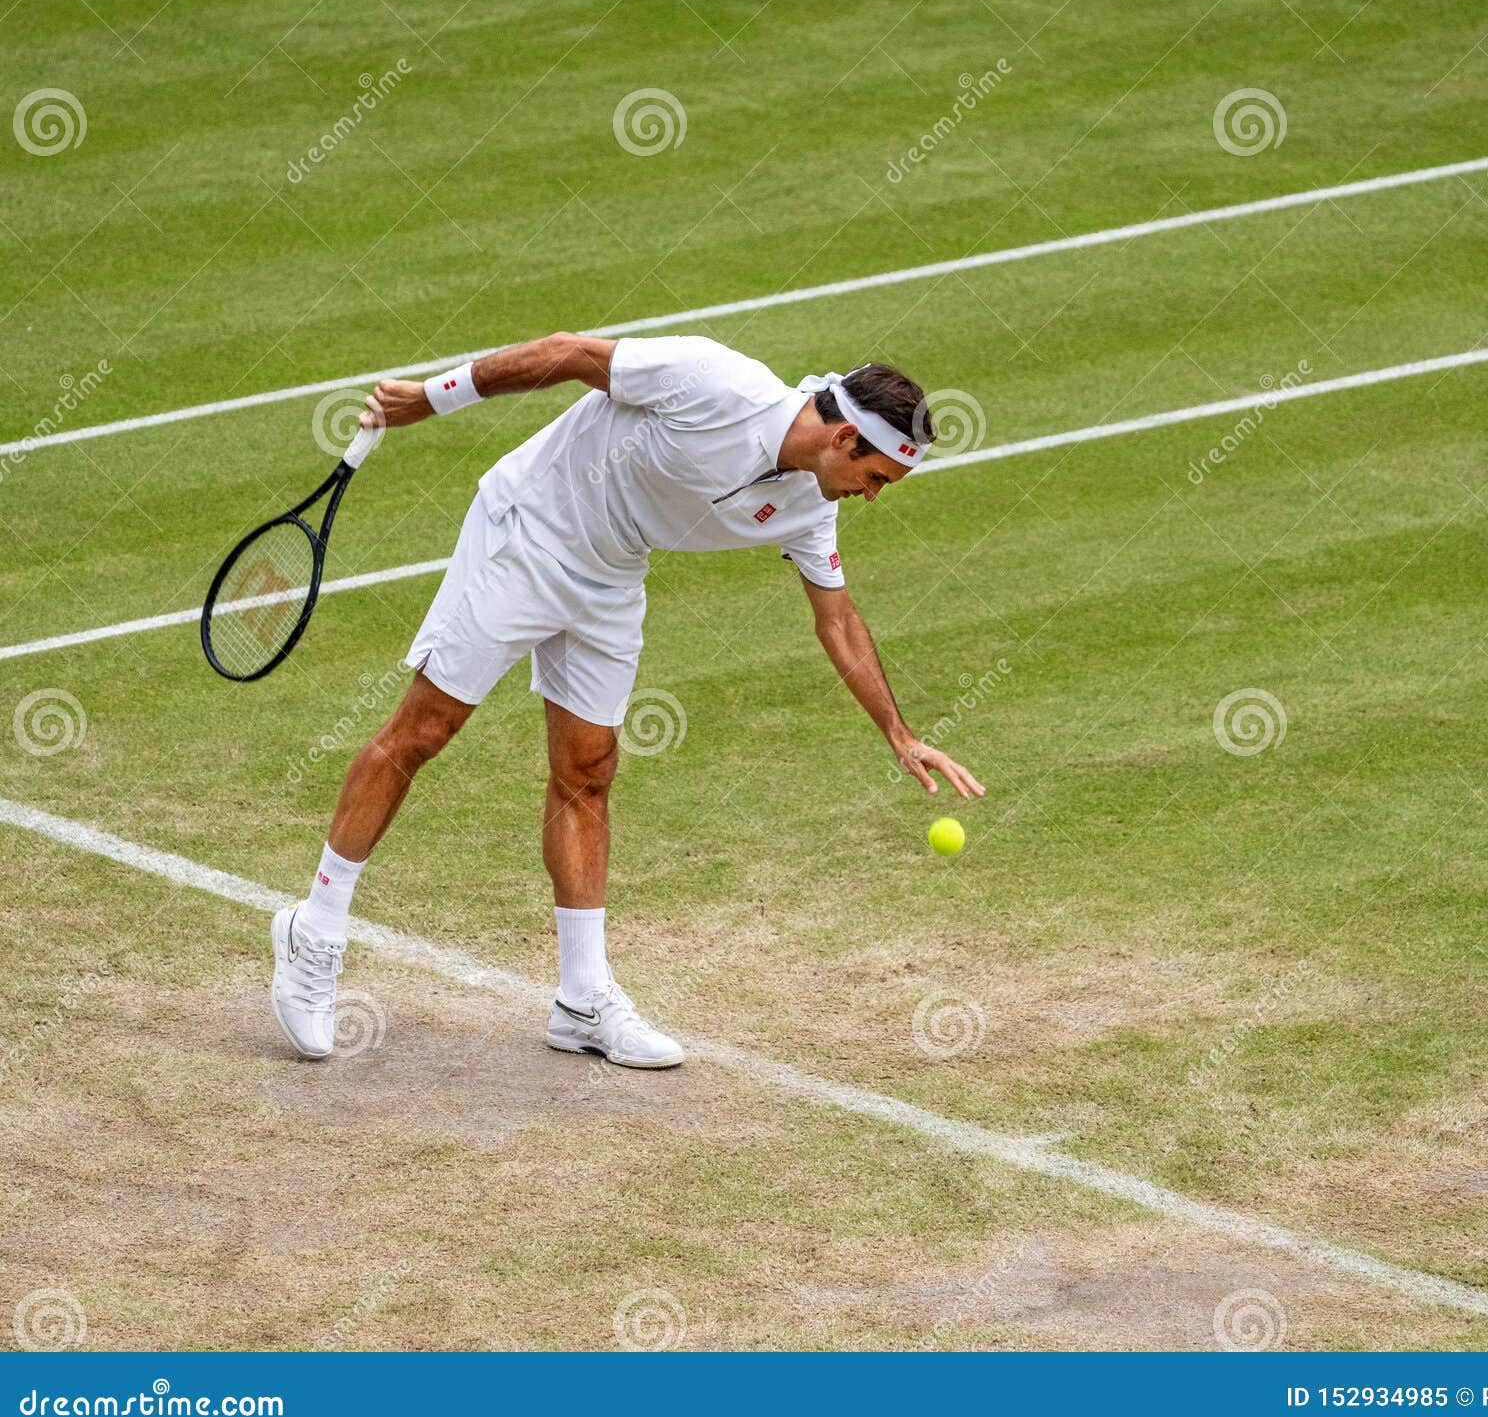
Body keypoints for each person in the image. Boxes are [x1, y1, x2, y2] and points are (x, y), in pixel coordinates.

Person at [270, 333, 985, 1069]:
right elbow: (571, 353)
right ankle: (314, 930)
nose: (869, 497)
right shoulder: (714, 382)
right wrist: (431, 399)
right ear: (843, 436)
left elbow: (836, 618)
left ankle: (582, 1001)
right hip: (529, 531)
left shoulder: (809, 506)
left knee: (588, 771)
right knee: (424, 731)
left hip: (611, 575)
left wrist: (899, 734)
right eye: (875, 478)